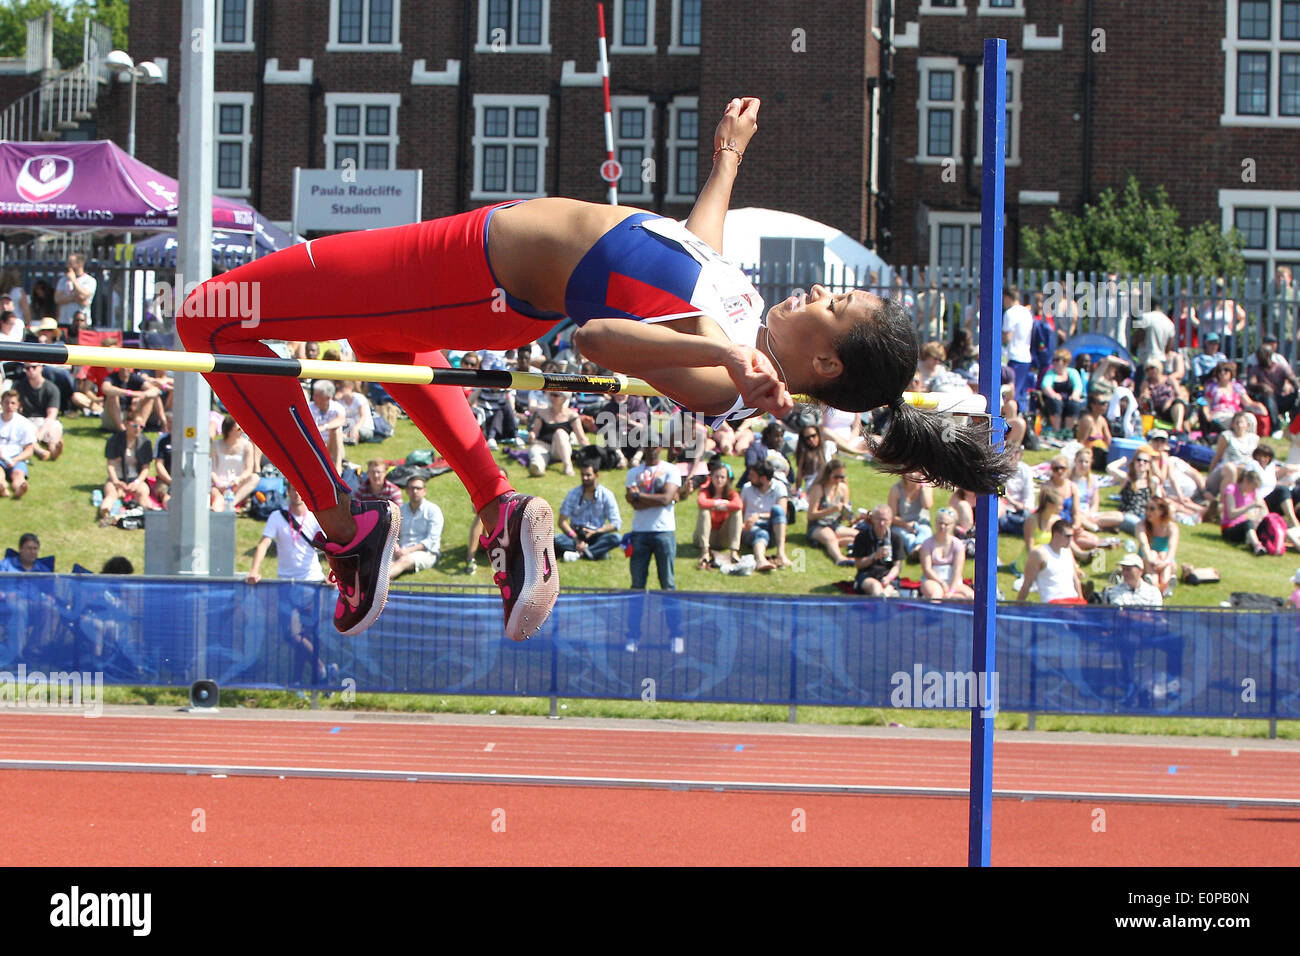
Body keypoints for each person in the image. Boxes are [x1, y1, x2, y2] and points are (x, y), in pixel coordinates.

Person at [175, 95, 1010, 641]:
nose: (819, 289)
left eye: (832, 303)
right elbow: (694, 252)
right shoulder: (743, 324)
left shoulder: (729, 369)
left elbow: (600, 342)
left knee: (206, 317)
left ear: (825, 358)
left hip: (467, 268)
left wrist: (724, 353)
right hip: (479, 277)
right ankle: (497, 508)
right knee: (383, 349)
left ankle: (342, 521)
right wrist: (727, 160)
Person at [245, 485, 333, 685]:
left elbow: (330, 548)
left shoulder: (314, 517)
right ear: (288, 492)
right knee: (291, 635)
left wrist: (332, 575)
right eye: (293, 489)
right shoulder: (277, 516)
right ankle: (322, 668)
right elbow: (264, 543)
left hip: (312, 583)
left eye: (300, 490)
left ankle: (299, 682)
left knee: (308, 636)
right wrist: (254, 569)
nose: (297, 493)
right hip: (287, 583)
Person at [626, 445, 680, 590]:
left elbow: (665, 500)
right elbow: (635, 504)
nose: (651, 449)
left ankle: (671, 613)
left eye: (654, 445)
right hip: (640, 531)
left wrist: (639, 495)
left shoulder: (671, 470)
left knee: (667, 582)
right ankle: (636, 613)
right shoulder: (633, 472)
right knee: (637, 583)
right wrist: (659, 497)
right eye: (648, 445)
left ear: (661, 447)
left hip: (664, 531)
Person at [555, 462, 622, 562]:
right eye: (582, 475)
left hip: (596, 534)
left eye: (588, 475)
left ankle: (579, 555)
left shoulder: (606, 495)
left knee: (616, 538)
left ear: (596, 475)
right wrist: (576, 538)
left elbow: (616, 523)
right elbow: (562, 521)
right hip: (575, 534)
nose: (585, 478)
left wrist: (595, 532)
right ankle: (596, 552)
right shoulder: (573, 494)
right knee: (556, 539)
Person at [99, 416, 155, 525]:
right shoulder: (114, 440)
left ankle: (148, 517)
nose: (138, 429)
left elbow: (145, 468)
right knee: (111, 495)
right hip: (117, 478)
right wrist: (116, 481)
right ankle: (106, 516)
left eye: (141, 426)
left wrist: (137, 482)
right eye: (135, 425)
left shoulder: (145, 442)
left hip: (135, 479)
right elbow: (111, 465)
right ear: (126, 424)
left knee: (143, 494)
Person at [1017, 519, 1085, 605]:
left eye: (1072, 536)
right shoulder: (1039, 554)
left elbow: (1075, 580)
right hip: (1054, 604)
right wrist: (1016, 606)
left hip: (1073, 601)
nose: (1071, 540)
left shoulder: (1067, 551)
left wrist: (1081, 600)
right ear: (1056, 535)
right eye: (1068, 536)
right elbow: (1027, 584)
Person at [803, 458, 857, 567]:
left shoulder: (843, 488)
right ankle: (839, 558)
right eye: (836, 477)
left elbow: (846, 515)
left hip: (834, 524)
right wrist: (831, 510)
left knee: (858, 536)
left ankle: (824, 543)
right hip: (817, 525)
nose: (838, 480)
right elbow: (811, 515)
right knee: (830, 537)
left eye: (842, 477)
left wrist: (847, 515)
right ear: (828, 474)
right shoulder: (818, 489)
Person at [740, 460, 791, 571]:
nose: (749, 477)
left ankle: (781, 553)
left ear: (763, 478)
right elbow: (740, 512)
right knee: (761, 533)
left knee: (777, 510)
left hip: (772, 528)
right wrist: (742, 526)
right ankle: (761, 560)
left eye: (752, 475)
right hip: (752, 528)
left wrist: (759, 516)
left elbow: (783, 512)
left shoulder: (779, 487)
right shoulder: (747, 488)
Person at [389, 477, 444, 578]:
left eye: (418, 488)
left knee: (403, 561)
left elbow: (431, 540)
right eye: (411, 488)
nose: (415, 491)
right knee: (382, 563)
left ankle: (374, 587)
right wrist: (397, 549)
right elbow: (393, 534)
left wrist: (407, 551)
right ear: (407, 491)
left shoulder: (433, 511)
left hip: (426, 553)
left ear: (424, 491)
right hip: (400, 551)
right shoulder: (400, 510)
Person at [1245, 333, 1298, 436]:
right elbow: (1251, 384)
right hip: (1263, 400)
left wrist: (1296, 388)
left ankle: (1295, 428)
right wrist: (1261, 386)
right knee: (1268, 395)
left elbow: (1292, 378)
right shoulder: (1255, 368)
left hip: (1280, 397)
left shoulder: (1280, 366)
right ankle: (1276, 428)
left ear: (1269, 356)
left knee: (1297, 396)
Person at [694, 459, 742, 568]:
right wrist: (718, 503)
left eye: (722, 477)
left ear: (727, 479)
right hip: (704, 536)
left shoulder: (731, 493)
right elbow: (701, 502)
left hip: (722, 537)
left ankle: (734, 551)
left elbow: (738, 505)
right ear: (711, 478)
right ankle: (705, 552)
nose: (719, 480)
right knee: (704, 511)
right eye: (716, 477)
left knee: (737, 513)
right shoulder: (705, 490)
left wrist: (724, 505)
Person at [919, 507, 972, 600]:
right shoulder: (927, 544)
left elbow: (957, 571)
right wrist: (942, 583)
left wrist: (951, 590)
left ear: (953, 525)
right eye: (940, 523)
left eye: (946, 524)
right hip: (933, 580)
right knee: (936, 596)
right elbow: (927, 569)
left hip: (953, 580)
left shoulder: (958, 544)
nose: (942, 526)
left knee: (971, 596)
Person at [13, 362, 63, 461]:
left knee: (54, 430)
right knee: (24, 432)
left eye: (33, 367)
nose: (30, 370)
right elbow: (14, 407)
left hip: (46, 420)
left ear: (41, 368)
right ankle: (40, 452)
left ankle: (53, 448)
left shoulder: (51, 388)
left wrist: (41, 431)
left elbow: (52, 415)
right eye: (27, 368)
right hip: (28, 419)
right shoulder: (19, 386)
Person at [527, 391, 585, 477]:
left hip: (560, 449)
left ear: (565, 398)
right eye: (550, 394)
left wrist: (589, 452)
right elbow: (535, 432)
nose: (552, 398)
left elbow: (582, 439)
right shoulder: (542, 413)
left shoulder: (572, 415)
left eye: (555, 395)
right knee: (536, 454)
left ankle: (568, 467)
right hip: (542, 445)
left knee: (560, 432)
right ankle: (538, 468)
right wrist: (532, 435)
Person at [852, 505, 905, 597]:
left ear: (891, 520)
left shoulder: (896, 538)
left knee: (888, 591)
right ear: (872, 519)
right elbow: (858, 564)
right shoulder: (862, 537)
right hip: (867, 574)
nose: (882, 523)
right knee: (875, 587)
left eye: (885, 520)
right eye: (879, 519)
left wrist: (889, 577)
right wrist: (874, 556)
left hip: (888, 575)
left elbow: (898, 566)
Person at [209, 415, 259, 512]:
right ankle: (220, 506)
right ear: (229, 430)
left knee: (255, 478)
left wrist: (238, 479)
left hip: (237, 484)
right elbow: (211, 469)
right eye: (238, 429)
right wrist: (218, 482)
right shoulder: (216, 445)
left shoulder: (247, 445)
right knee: (215, 495)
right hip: (218, 484)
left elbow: (248, 469)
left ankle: (232, 504)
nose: (242, 431)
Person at [1220, 465, 1269, 556]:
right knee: (1248, 523)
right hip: (1229, 527)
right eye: (1253, 487)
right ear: (1246, 481)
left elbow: (1263, 508)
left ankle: (1264, 544)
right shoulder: (1231, 489)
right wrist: (1250, 506)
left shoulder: (1252, 493)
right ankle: (1257, 546)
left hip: (1245, 526)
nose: (1254, 490)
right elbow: (1231, 514)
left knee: (1263, 524)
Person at [1135, 498, 1179, 597]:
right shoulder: (1140, 525)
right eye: (1146, 508)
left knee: (1163, 554)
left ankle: (1164, 584)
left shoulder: (1171, 527)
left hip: (1167, 561)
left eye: (1152, 509)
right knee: (1153, 553)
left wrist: (1165, 562)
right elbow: (1144, 545)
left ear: (1161, 511)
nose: (1148, 512)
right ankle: (1155, 584)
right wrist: (1153, 561)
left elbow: (1172, 549)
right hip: (1147, 559)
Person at [1038, 348, 1084, 439]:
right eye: (1054, 360)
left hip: (1069, 399)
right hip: (1054, 399)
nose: (1054, 362)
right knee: (1055, 402)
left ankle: (1067, 431)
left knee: (1074, 404)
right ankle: (1057, 431)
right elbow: (1045, 385)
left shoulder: (1073, 373)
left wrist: (1075, 395)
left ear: (1065, 362)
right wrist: (1053, 394)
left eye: (1057, 360)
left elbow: (1078, 386)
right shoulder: (1050, 373)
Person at [887, 471, 933, 558]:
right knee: (908, 537)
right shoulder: (896, 489)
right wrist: (906, 525)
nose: (912, 475)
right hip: (901, 524)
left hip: (921, 523)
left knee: (926, 531)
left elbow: (927, 505)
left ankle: (919, 549)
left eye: (916, 472)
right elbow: (891, 517)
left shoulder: (927, 486)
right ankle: (915, 551)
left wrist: (923, 486)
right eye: (909, 472)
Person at [0, 389, 36, 500]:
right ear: (1, 403)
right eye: (6, 402)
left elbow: (30, 449)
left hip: (16, 457)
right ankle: (2, 486)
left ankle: (19, 488)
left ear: (18, 405)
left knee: (18, 474)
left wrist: (15, 460)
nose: (9, 406)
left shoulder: (23, 423)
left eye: (13, 403)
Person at [308, 380, 346, 473]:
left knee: (336, 431)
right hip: (315, 443)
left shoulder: (337, 407)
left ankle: (338, 467)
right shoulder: (309, 407)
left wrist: (324, 427)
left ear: (327, 398)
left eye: (317, 395)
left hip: (332, 444)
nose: (314, 397)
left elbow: (340, 420)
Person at [54, 254, 95, 324]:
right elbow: (57, 299)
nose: (67, 266)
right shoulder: (63, 280)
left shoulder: (89, 280)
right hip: (64, 321)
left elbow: (82, 296)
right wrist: (75, 298)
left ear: (80, 264)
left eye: (70, 263)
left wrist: (73, 280)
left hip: (81, 322)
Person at [337, 379, 376, 445]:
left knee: (355, 432)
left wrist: (355, 429)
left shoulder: (359, 398)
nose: (339, 390)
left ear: (349, 388)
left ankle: (349, 439)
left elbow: (363, 417)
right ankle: (347, 439)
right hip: (348, 428)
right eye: (338, 388)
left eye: (341, 388)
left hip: (363, 427)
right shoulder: (340, 401)